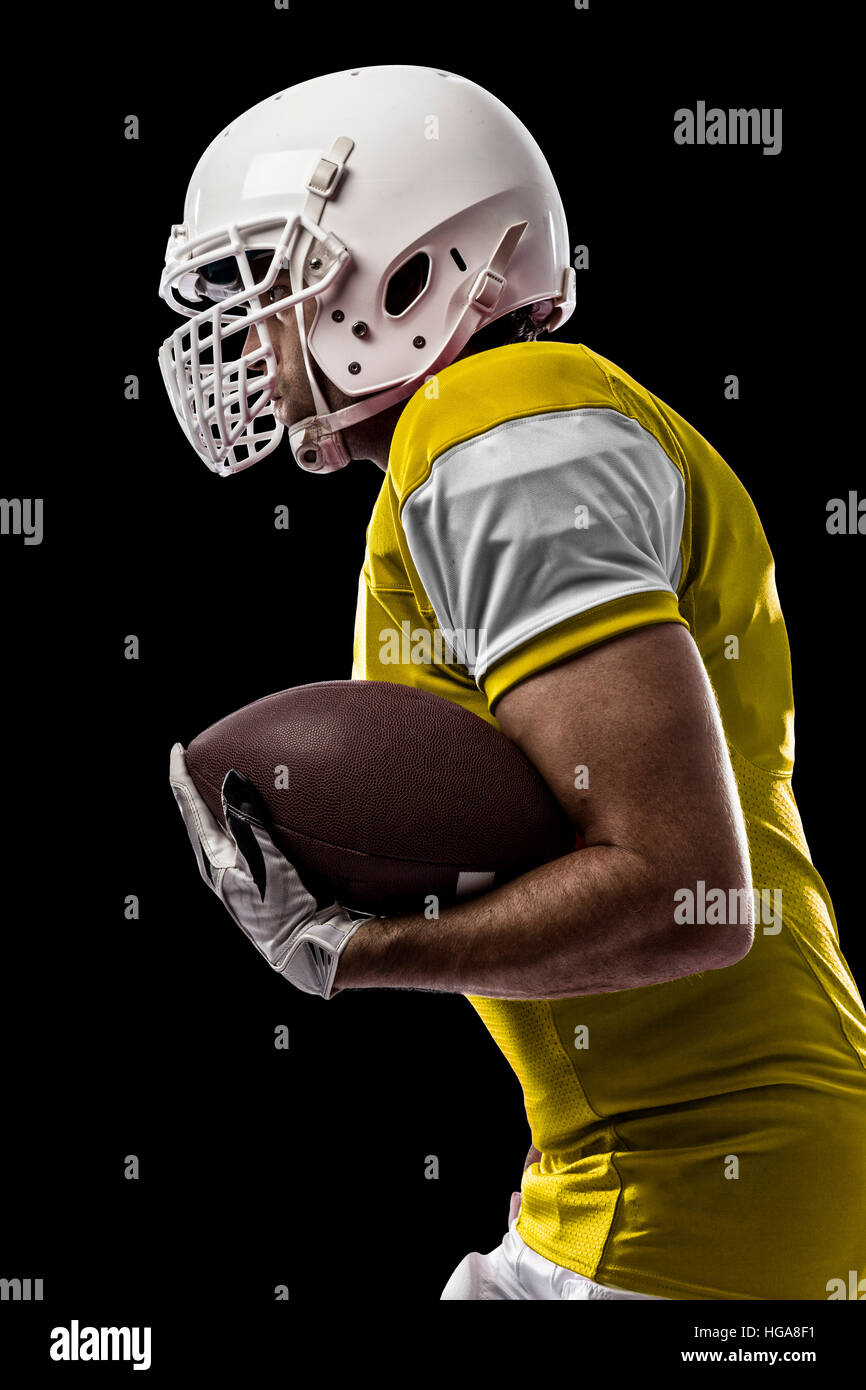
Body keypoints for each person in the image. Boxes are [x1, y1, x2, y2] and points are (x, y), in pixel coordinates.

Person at [162, 64, 866, 1301]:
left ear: (405, 274)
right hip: (645, 1166)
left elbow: (683, 893)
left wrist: (352, 951)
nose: (251, 333)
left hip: (706, 1193)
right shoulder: (494, 433)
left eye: (273, 280)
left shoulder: (501, 433)